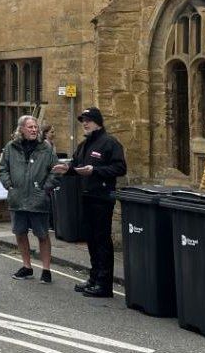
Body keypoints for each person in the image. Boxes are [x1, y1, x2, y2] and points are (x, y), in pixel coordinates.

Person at [53, 107, 127, 299]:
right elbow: (77, 166)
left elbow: (120, 168)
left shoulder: (109, 143)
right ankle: (94, 278)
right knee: (91, 240)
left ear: (98, 122)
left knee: (102, 240)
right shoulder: (84, 145)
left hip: (102, 198)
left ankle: (104, 284)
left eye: (88, 120)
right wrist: (66, 169)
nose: (84, 123)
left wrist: (95, 171)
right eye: (83, 120)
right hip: (86, 197)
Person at [0, 115, 60, 284]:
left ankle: (46, 270)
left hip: (38, 199)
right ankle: (27, 267)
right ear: (21, 130)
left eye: (35, 127)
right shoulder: (11, 147)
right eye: (30, 127)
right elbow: (2, 168)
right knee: (20, 233)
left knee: (42, 235)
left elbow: (56, 170)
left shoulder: (45, 148)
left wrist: (46, 188)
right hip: (17, 198)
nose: (34, 130)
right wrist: (8, 185)